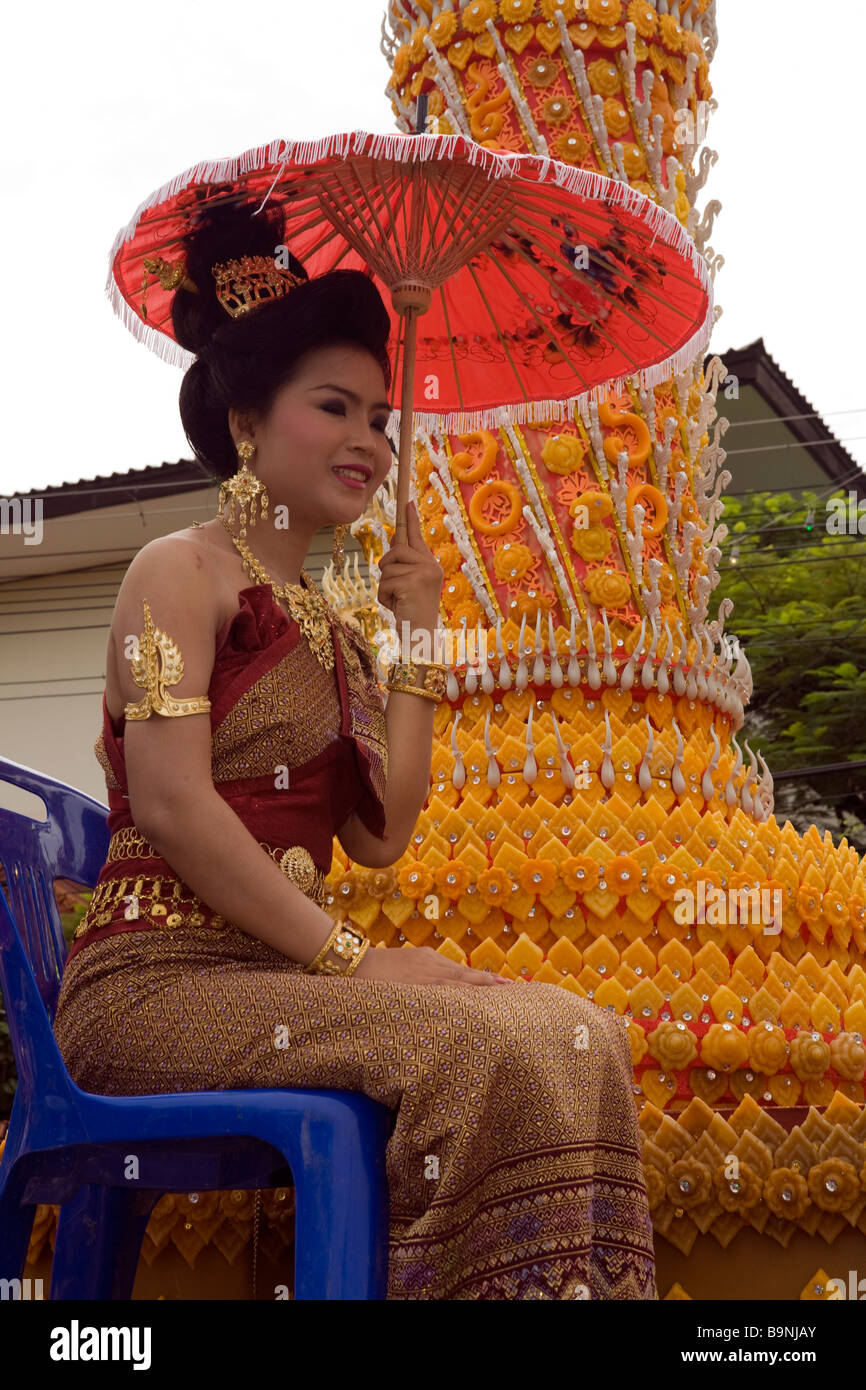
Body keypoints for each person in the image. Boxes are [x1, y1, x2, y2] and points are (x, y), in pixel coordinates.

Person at [52, 199, 657, 1300]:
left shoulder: (332, 625)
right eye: (333, 407)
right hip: (153, 987)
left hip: (274, 978)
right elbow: (174, 804)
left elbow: (381, 834)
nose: (371, 443)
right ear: (247, 420)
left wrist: (416, 634)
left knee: (578, 1031)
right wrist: (351, 960)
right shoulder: (177, 573)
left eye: (380, 418)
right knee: (478, 1047)